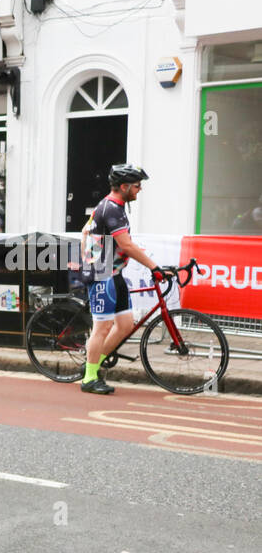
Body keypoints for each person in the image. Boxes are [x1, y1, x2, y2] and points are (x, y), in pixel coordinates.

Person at [79, 163, 163, 395]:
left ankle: (92, 364)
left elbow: (87, 232)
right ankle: (89, 377)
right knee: (103, 327)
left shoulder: (115, 206)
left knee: (125, 325)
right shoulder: (111, 208)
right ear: (124, 186)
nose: (139, 190)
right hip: (102, 273)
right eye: (137, 186)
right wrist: (154, 267)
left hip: (114, 272)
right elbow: (125, 244)